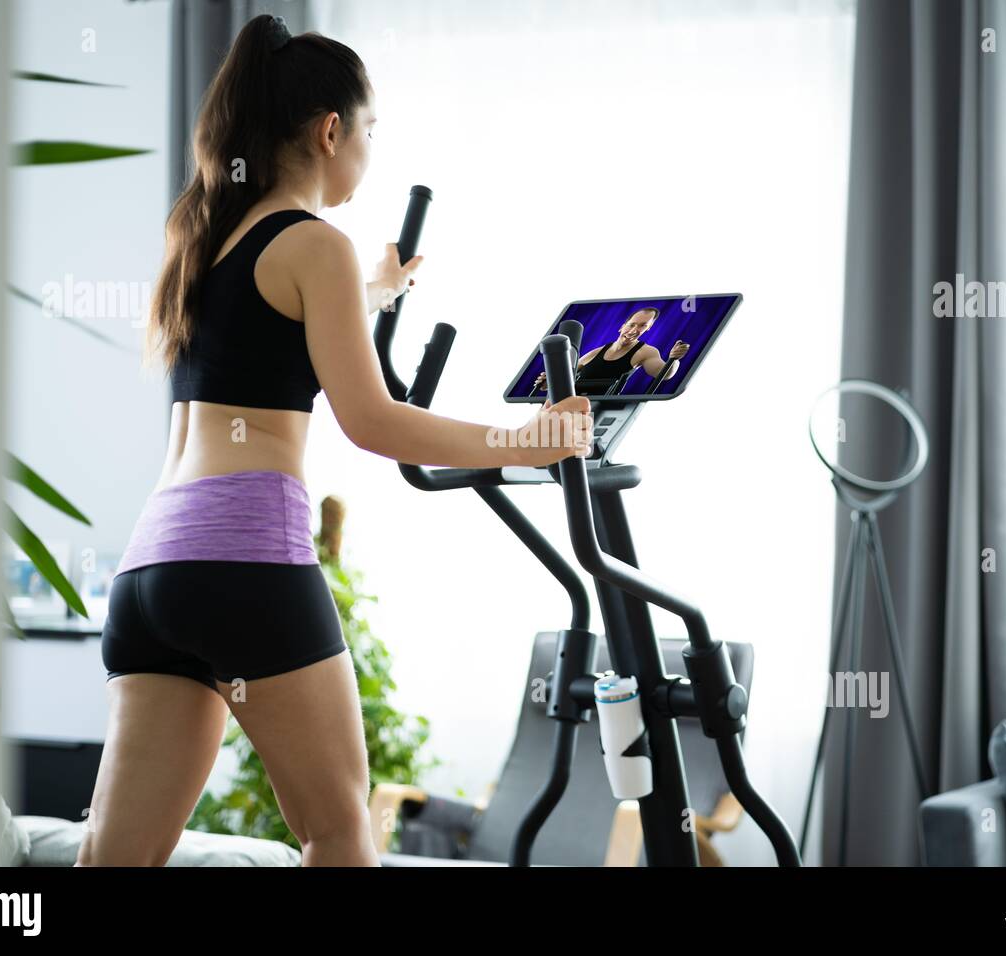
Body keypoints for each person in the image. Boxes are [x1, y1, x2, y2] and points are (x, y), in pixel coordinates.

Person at [79, 14, 592, 868]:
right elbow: (375, 421)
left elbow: (270, 335)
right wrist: (528, 439)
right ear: (330, 131)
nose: (369, 151)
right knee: (340, 829)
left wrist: (376, 292)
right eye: (370, 132)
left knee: (115, 855)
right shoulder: (316, 244)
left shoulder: (206, 243)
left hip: (153, 578)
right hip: (246, 561)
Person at [532, 306, 690, 396]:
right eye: (632, 324)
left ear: (648, 329)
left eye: (643, 326)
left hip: (600, 407)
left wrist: (674, 359)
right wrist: (550, 381)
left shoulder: (645, 352)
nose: (635, 330)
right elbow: (565, 376)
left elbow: (665, 374)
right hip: (570, 405)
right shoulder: (595, 352)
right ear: (622, 326)